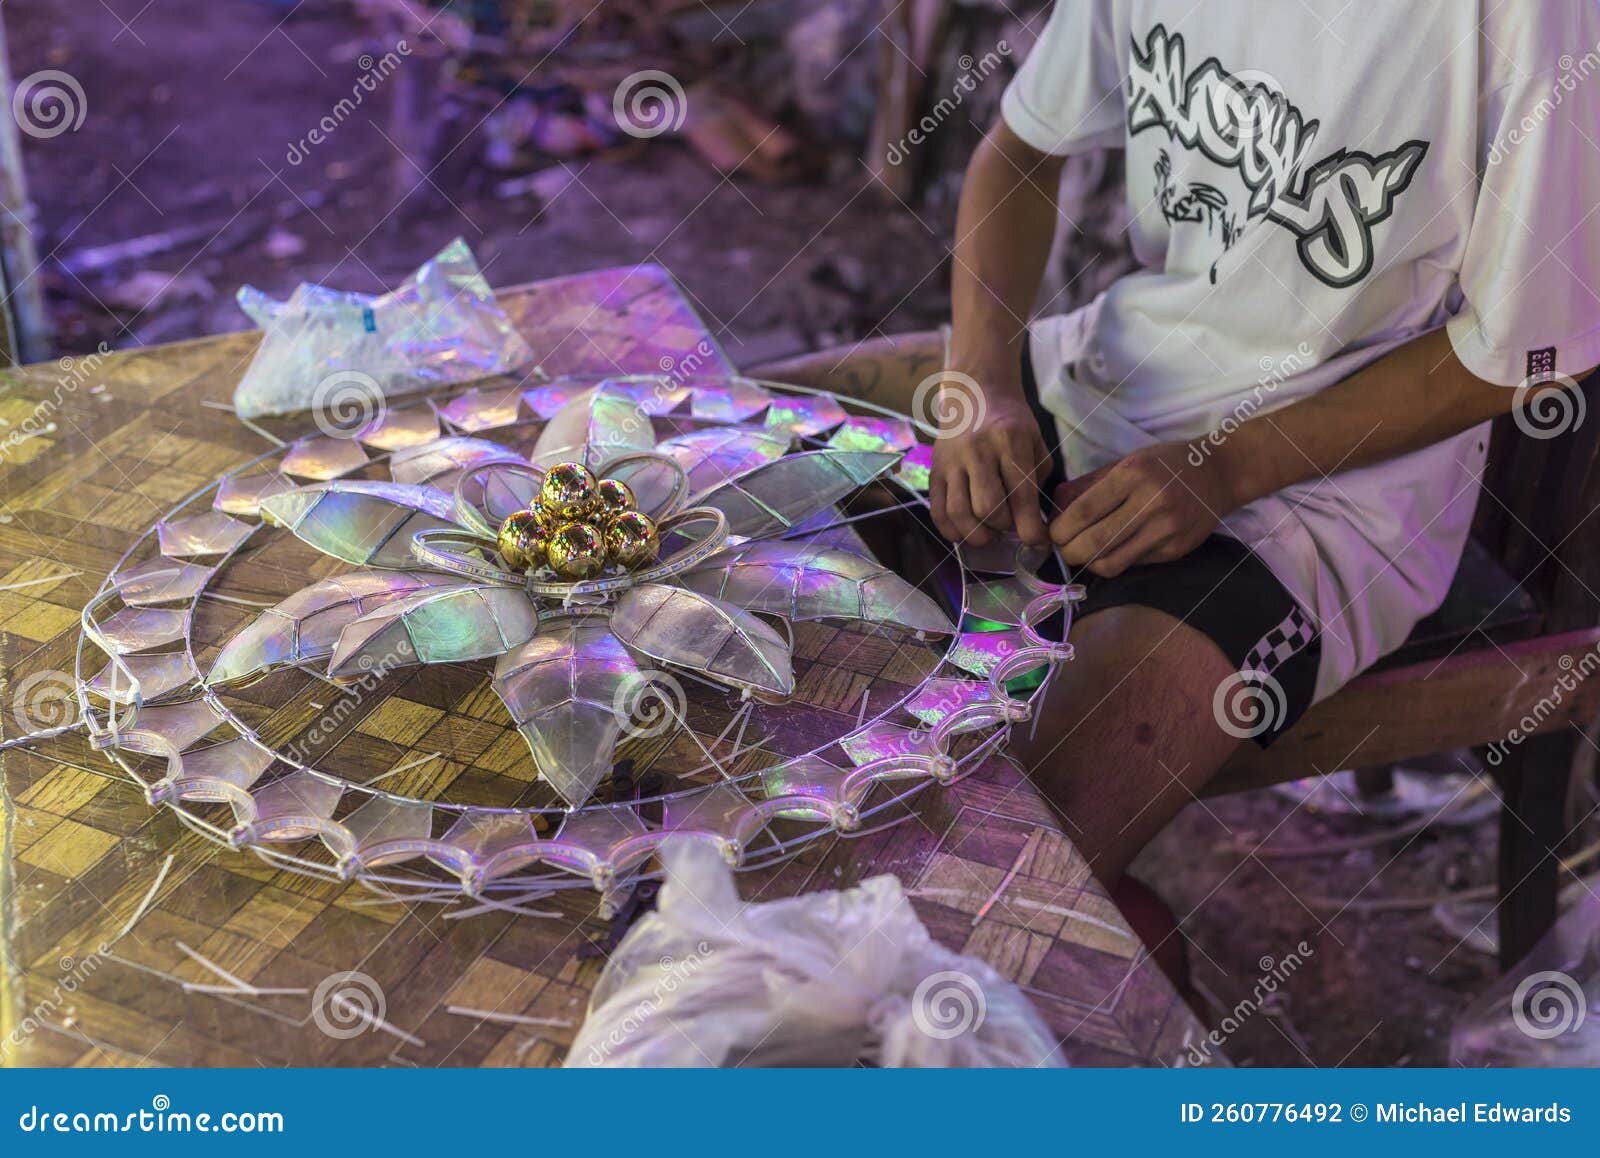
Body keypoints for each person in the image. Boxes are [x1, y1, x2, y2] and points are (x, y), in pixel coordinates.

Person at [758, 1, 1600, 977]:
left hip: (1316, 500)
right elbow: (1018, 152)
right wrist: (982, 385)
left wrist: (1227, 467)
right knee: (716, 449)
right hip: (1108, 373)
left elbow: (1528, 360)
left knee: (968, 897)